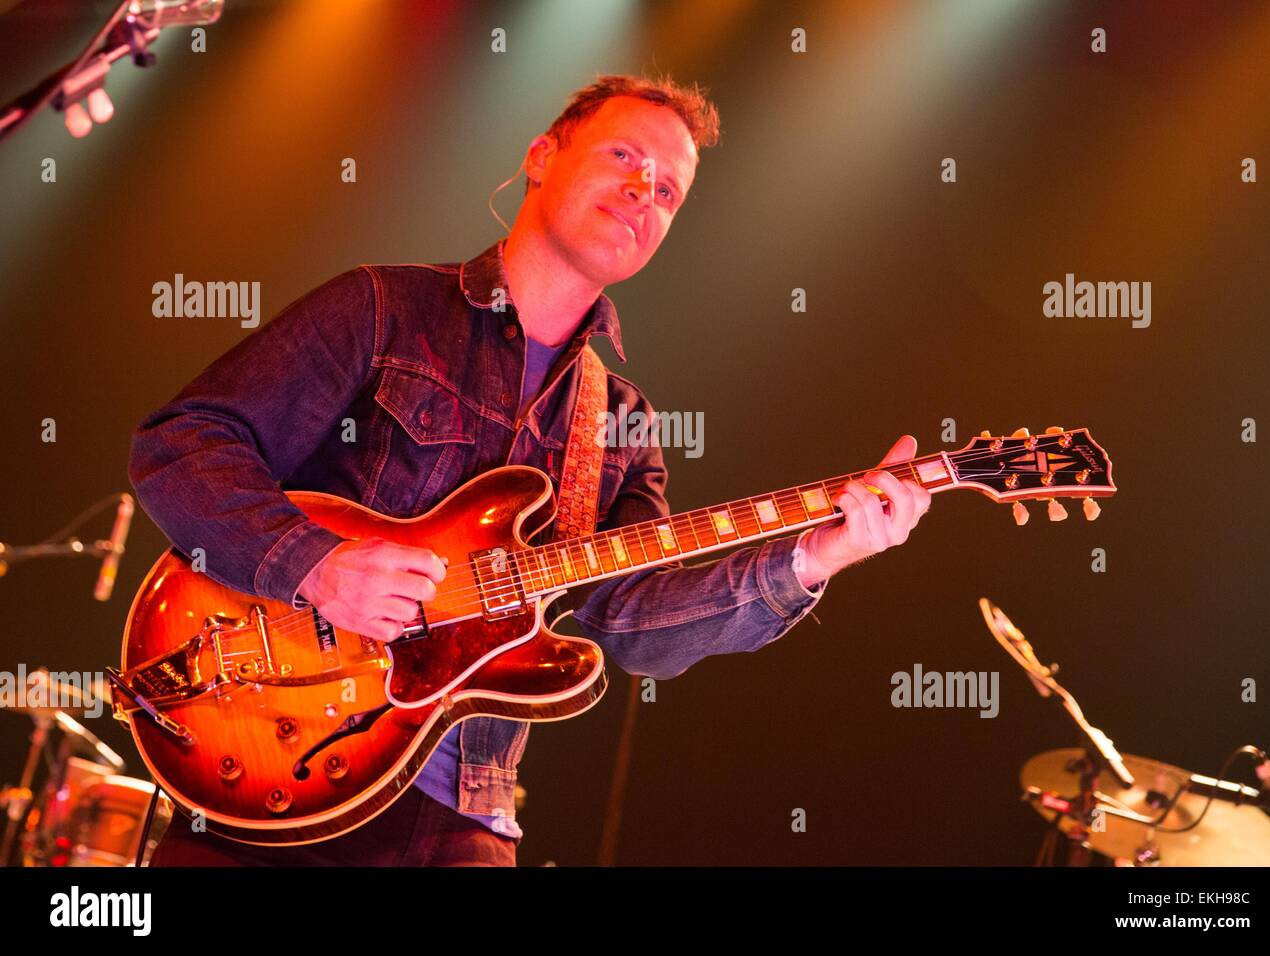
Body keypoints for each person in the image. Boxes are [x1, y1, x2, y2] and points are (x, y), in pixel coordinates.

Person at [129, 73, 931, 867]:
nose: (644, 189)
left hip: (459, 816)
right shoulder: (383, 310)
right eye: (623, 154)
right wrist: (318, 566)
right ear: (542, 155)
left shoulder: (618, 421)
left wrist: (819, 554)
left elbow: (633, 626)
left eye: (669, 191)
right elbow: (183, 443)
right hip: (273, 756)